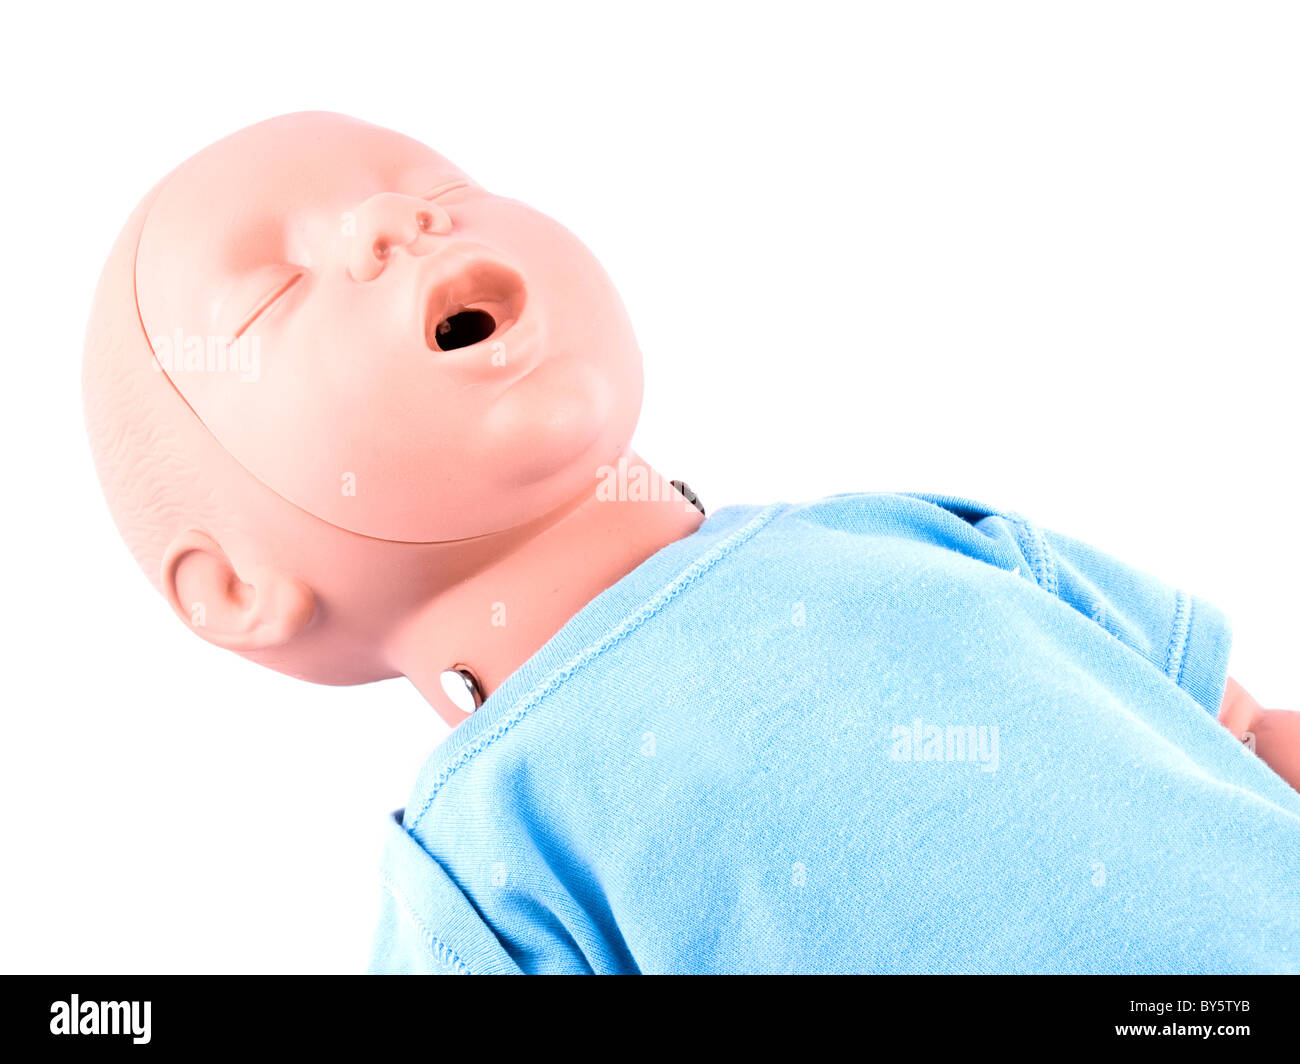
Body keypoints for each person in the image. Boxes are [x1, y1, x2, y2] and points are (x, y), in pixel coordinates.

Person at [84, 112, 1300, 974]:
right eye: (272, 292)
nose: (396, 222)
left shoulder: (910, 531)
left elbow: (1241, 730)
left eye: (439, 190)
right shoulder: (495, 859)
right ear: (238, 587)